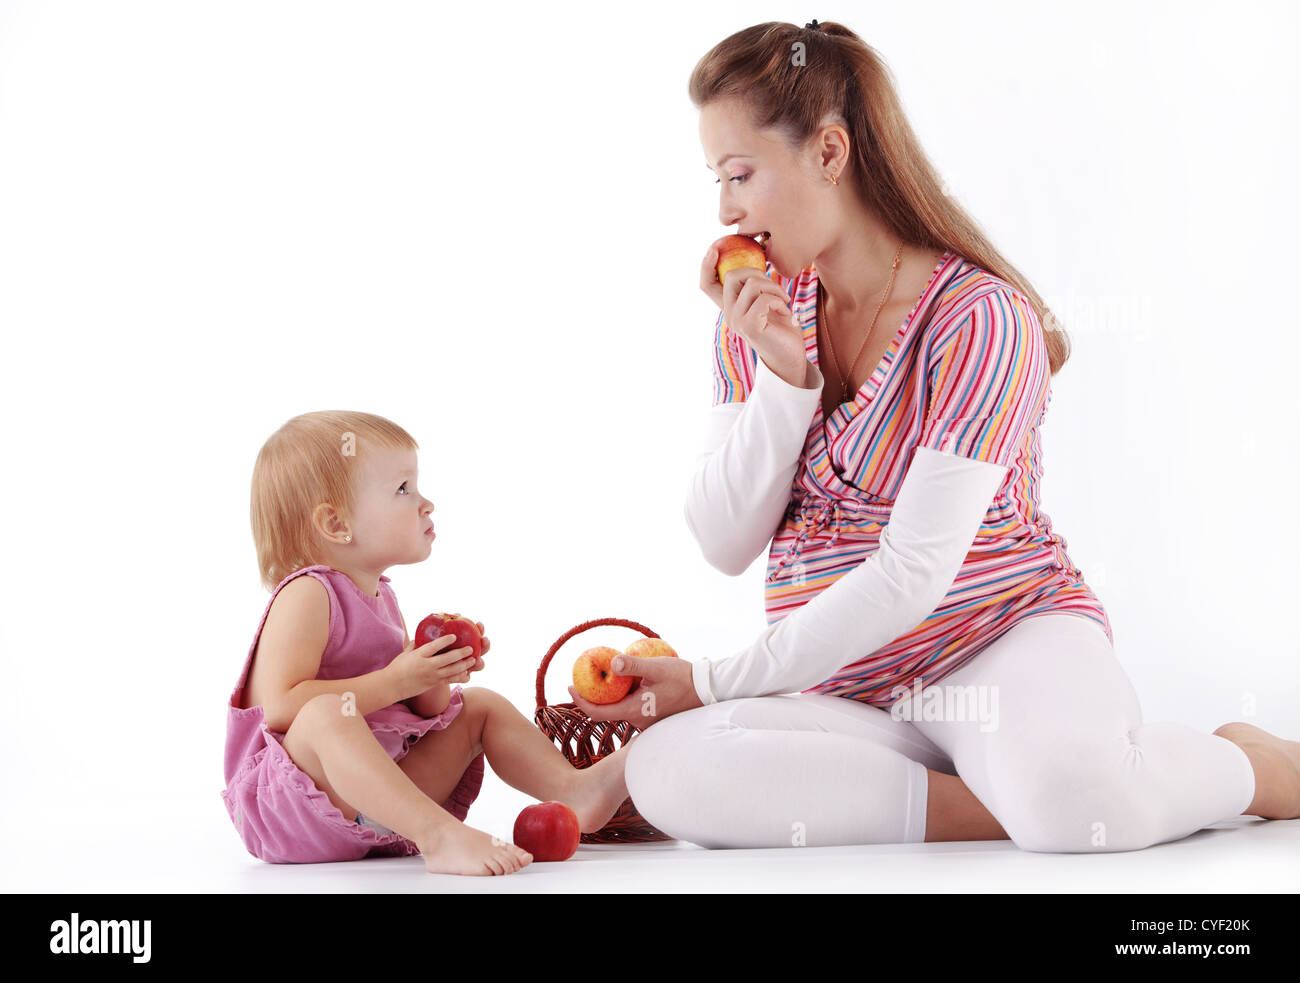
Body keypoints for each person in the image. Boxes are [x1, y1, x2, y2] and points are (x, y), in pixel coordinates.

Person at [567, 19, 1300, 851]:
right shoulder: (757, 315)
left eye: (740, 175)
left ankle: (1250, 765)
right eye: (716, 180)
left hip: (1001, 644)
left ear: (830, 155)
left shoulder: (984, 318)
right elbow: (724, 540)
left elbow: (913, 571)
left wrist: (709, 681)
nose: (725, 209)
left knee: (1081, 803)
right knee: (671, 770)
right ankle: (1003, 798)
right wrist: (785, 377)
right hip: (847, 694)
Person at [223, 410, 634, 875]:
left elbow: (421, 714)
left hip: (378, 805)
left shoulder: (382, 595)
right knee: (323, 714)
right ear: (336, 524)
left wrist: (434, 676)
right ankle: (439, 835)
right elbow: (281, 706)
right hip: (293, 810)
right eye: (403, 489)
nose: (426, 503)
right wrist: (397, 679)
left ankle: (575, 791)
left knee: (477, 705)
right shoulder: (307, 593)